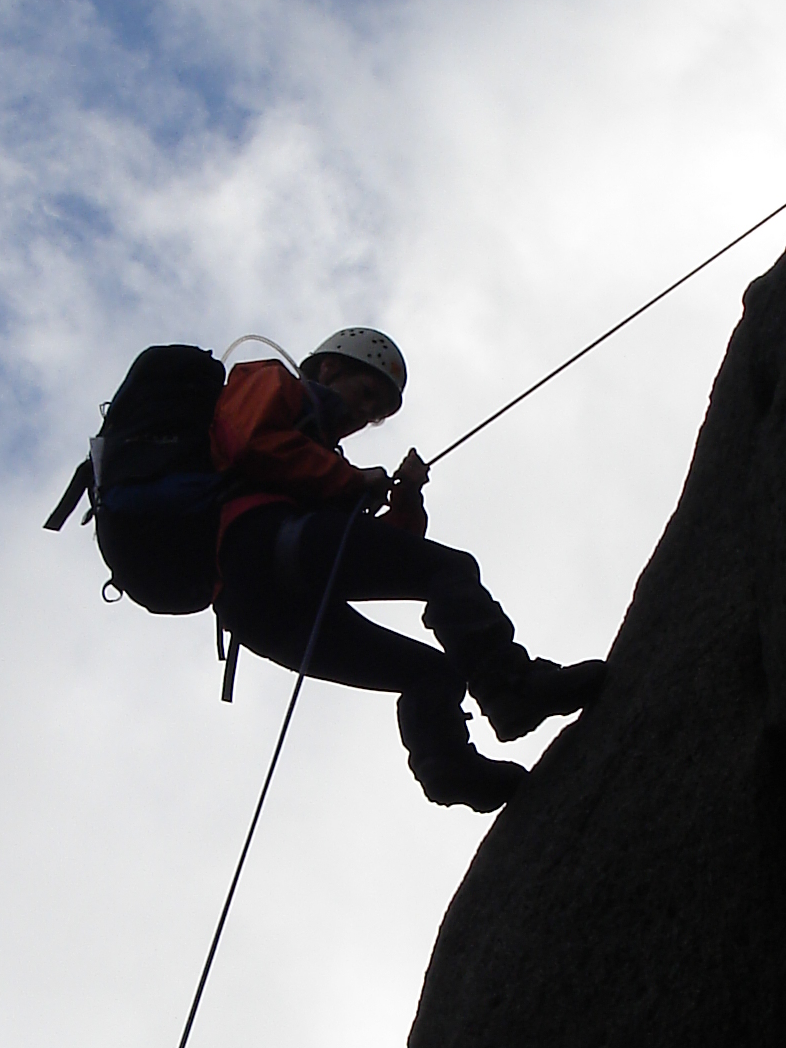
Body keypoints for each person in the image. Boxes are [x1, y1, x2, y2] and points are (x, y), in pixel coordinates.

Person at [211, 327, 603, 808]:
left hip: (263, 609)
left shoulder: (315, 459)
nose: (362, 415)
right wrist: (352, 480)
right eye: (366, 395)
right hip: (263, 544)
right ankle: (511, 689)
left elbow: (388, 551)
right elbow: (253, 442)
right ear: (330, 367)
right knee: (450, 570)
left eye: (374, 414)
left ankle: (451, 773)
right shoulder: (270, 381)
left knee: (428, 673)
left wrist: (405, 496)